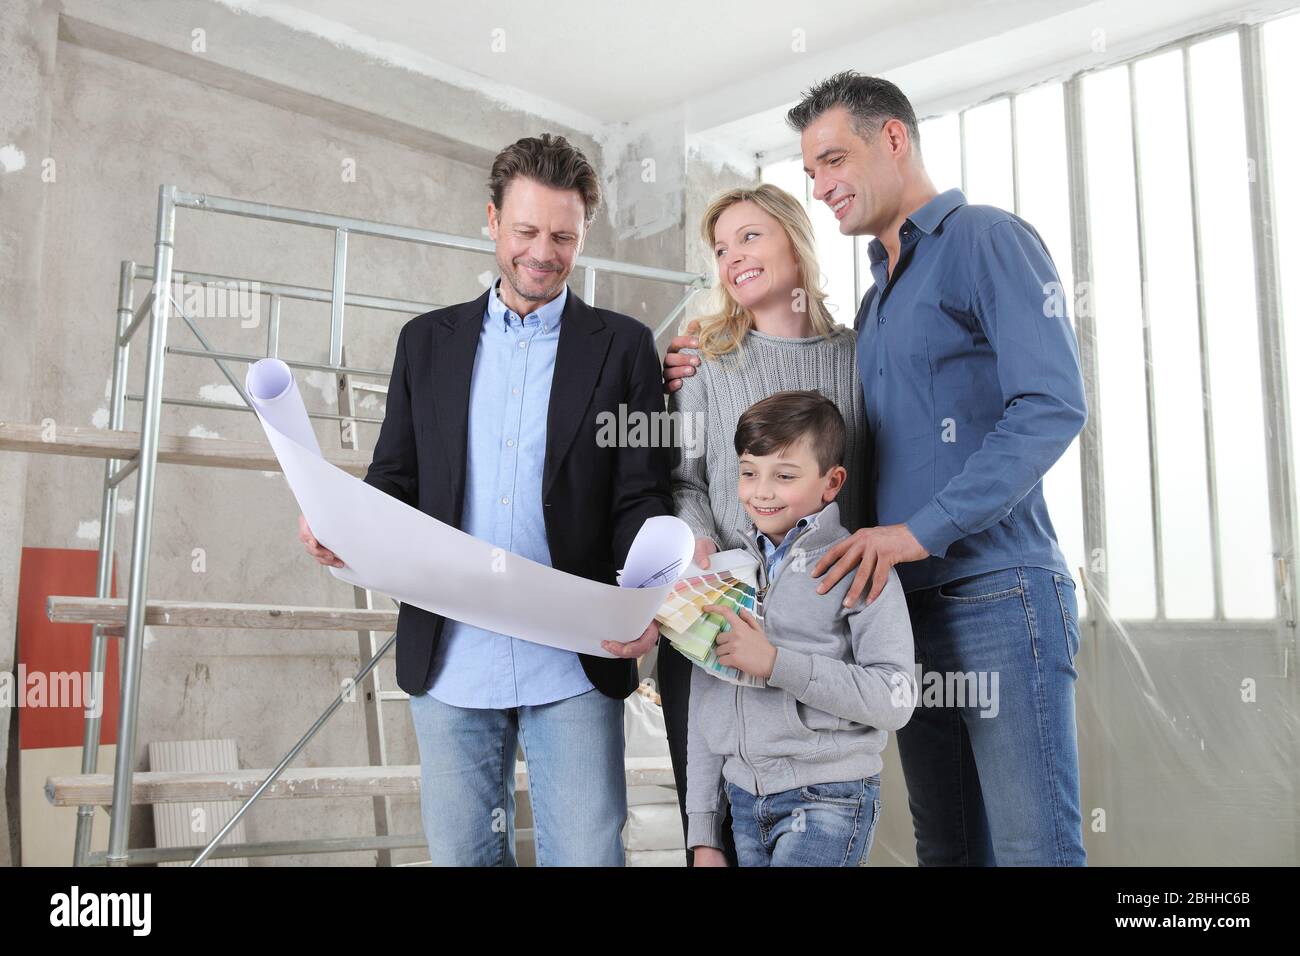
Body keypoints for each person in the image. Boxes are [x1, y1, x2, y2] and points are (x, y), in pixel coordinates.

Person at [666, 72, 1089, 866]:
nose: (824, 185)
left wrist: (911, 535)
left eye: (834, 159)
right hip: (894, 607)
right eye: (811, 172)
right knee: (950, 846)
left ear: (893, 137)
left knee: (1036, 850)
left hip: (995, 589)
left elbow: (1052, 405)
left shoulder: (986, 240)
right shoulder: (880, 301)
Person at [299, 133, 670, 866]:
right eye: (527, 231)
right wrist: (343, 526)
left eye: (564, 236)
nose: (544, 252)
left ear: (584, 233)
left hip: (576, 654)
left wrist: (648, 599)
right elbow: (395, 481)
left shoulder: (624, 347)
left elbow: (640, 496)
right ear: (492, 221)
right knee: (464, 855)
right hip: (451, 652)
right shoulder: (426, 343)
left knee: (590, 855)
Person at [661, 183, 868, 865]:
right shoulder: (705, 362)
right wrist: (697, 535)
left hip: (820, 622)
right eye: (721, 248)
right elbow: (686, 478)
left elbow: (863, 487)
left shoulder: (858, 356)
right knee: (716, 839)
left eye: (749, 236)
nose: (732, 258)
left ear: (794, 239)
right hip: (720, 612)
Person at [686, 390, 914, 867]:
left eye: (784, 476)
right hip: (744, 802)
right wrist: (704, 830)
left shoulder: (859, 567)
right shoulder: (729, 570)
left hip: (829, 796)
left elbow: (894, 698)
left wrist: (774, 663)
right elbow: (705, 697)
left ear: (832, 483)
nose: (761, 491)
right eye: (749, 472)